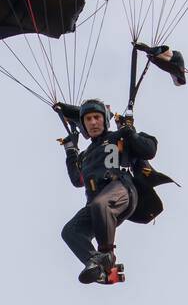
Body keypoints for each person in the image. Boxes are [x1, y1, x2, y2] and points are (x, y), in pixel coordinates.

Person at [61, 99, 158, 284]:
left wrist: (131, 133)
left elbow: (149, 150)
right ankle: (100, 268)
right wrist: (71, 152)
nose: (93, 122)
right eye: (88, 119)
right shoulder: (85, 155)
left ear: (104, 120)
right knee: (70, 231)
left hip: (121, 190)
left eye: (97, 117)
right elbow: (77, 180)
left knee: (101, 204)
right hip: (97, 204)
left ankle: (107, 255)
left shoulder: (118, 137)